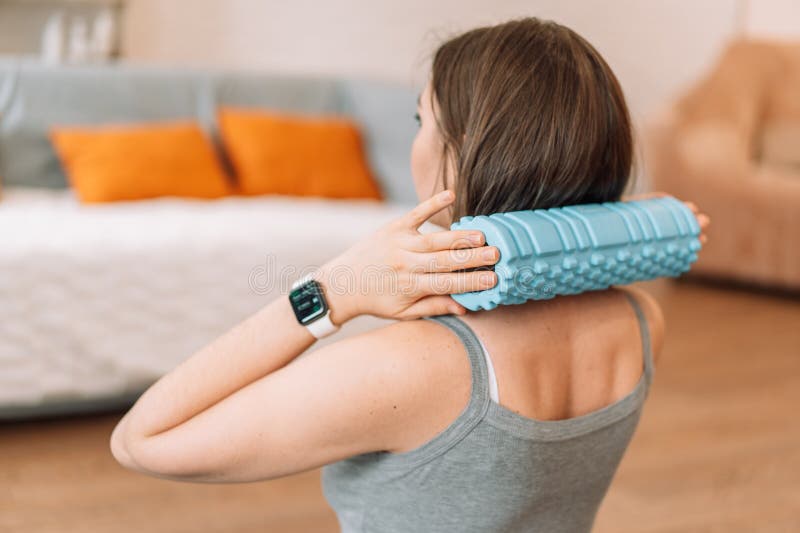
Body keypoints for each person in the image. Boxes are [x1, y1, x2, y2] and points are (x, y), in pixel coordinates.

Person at [110, 17, 710, 532]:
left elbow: (143, 440)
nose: (415, 144)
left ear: (467, 146)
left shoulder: (409, 366)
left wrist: (333, 289)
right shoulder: (639, 322)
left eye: (421, 119)